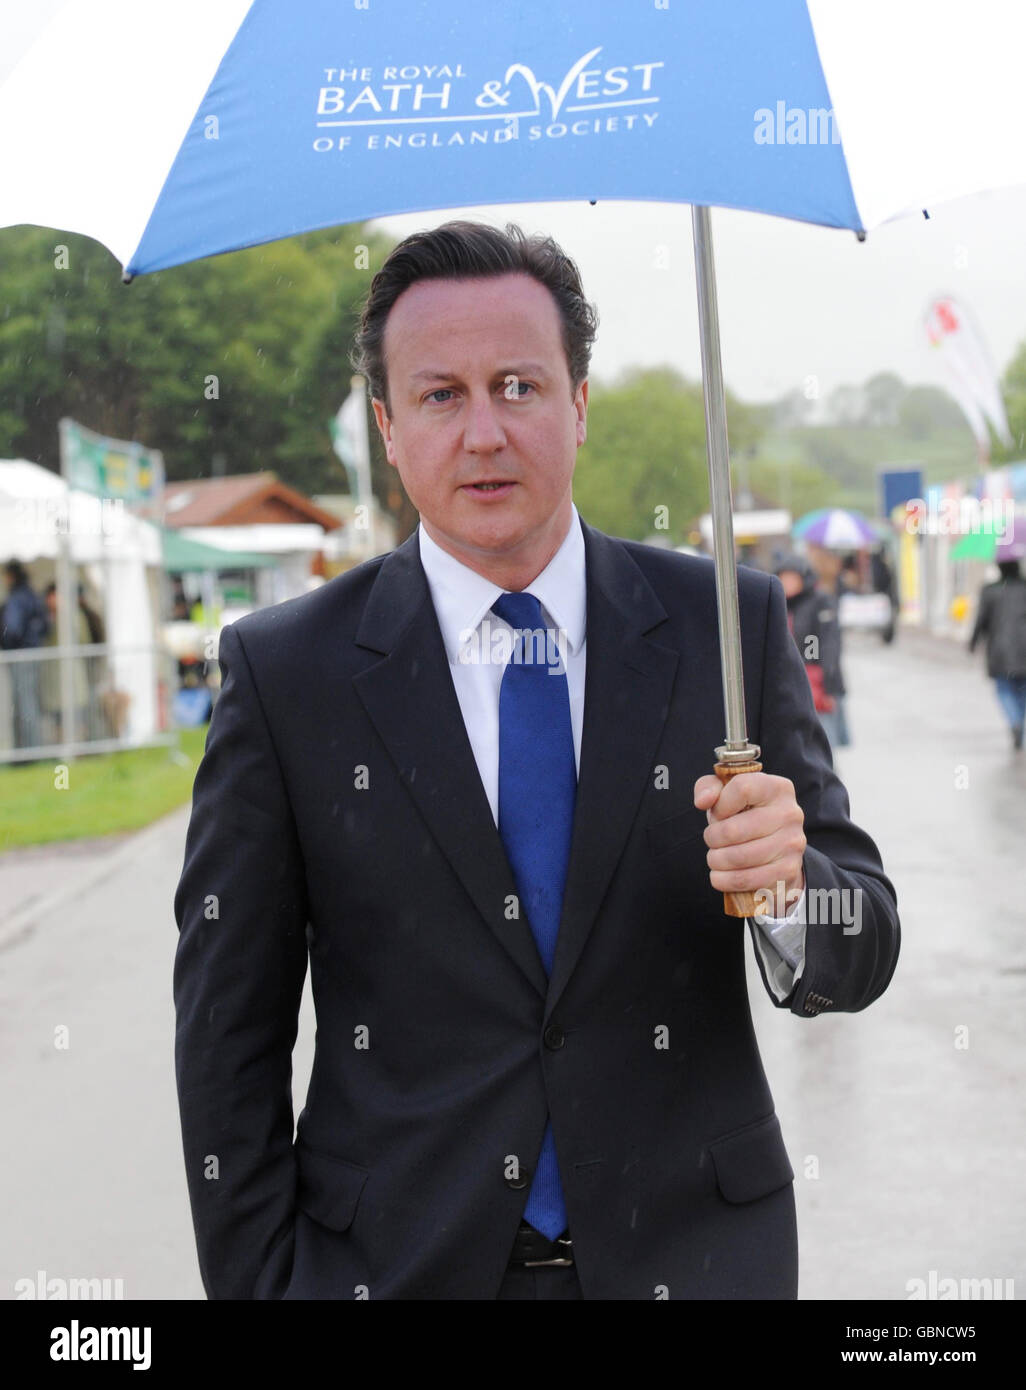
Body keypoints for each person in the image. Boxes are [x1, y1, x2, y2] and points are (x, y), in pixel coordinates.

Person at [173, 221, 900, 1301]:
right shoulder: (286, 675)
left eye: (518, 385)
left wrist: (794, 893)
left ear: (579, 402)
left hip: (697, 1266)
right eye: (439, 395)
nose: (483, 432)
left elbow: (866, 935)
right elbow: (226, 1035)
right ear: (386, 424)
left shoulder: (726, 629)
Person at [779, 548, 849, 750]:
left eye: (792, 578)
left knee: (824, 743)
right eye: (784, 578)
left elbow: (823, 645)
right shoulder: (782, 604)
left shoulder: (817, 602)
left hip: (816, 684)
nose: (788, 583)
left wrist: (825, 681)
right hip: (791, 687)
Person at [968, 558, 1026, 751]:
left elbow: (981, 620)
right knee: (1022, 690)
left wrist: (973, 642)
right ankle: (1019, 723)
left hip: (1000, 651)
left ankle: (1015, 722)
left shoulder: (990, 591)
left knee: (1004, 689)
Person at [1, 558, 50, 750]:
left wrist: (9, 644)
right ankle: (30, 748)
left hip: (20, 655)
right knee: (30, 702)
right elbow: (45, 625)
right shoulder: (32, 595)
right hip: (34, 653)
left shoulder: (17, 598)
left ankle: (29, 751)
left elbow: (12, 629)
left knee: (24, 704)